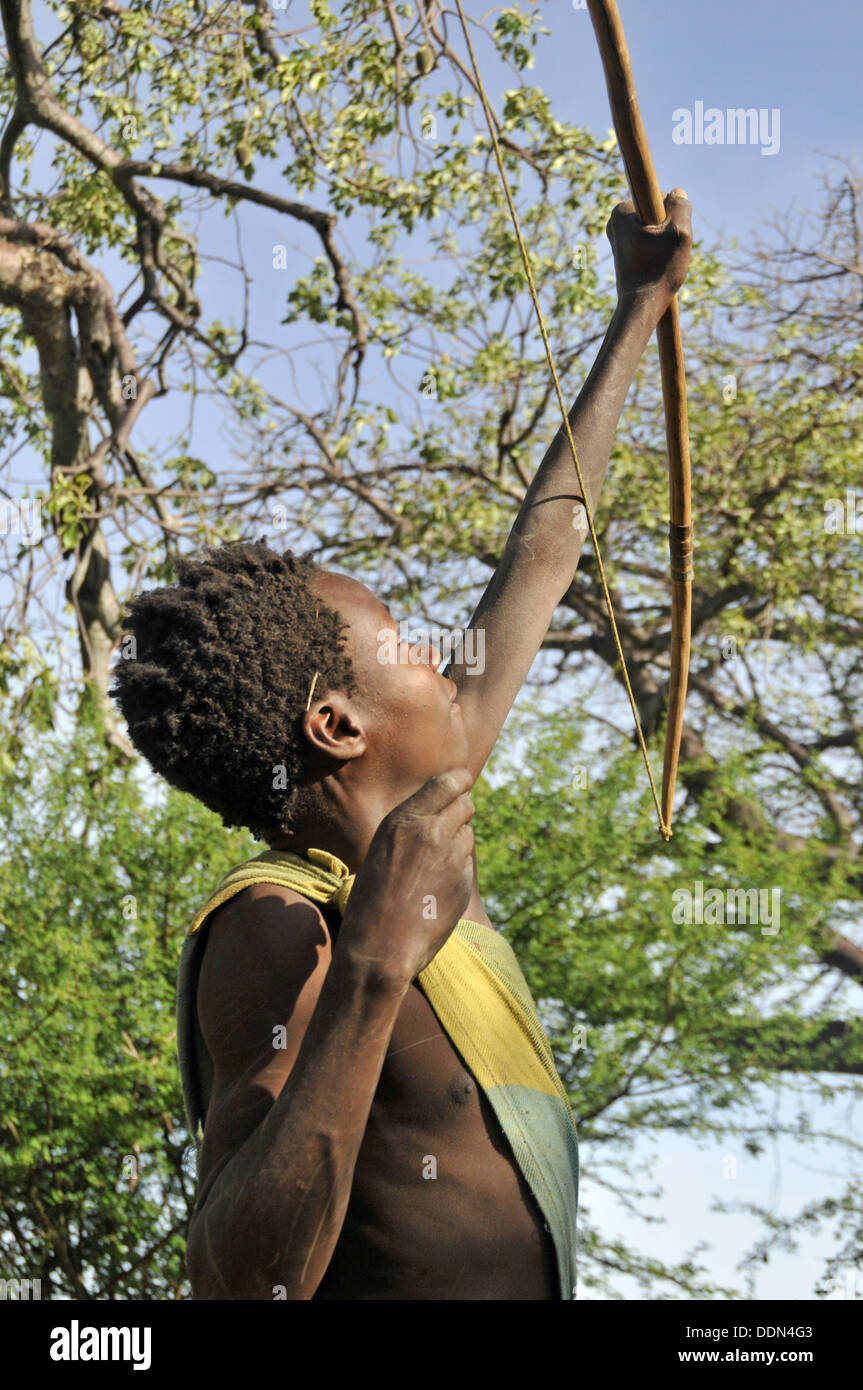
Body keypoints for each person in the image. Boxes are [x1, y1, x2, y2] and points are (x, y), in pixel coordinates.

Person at [111, 189, 692, 1300]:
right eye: (414, 651)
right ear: (335, 725)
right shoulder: (280, 928)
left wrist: (635, 310)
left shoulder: (422, 824)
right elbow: (239, 1277)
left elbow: (543, 552)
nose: (450, 665)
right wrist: (374, 966)